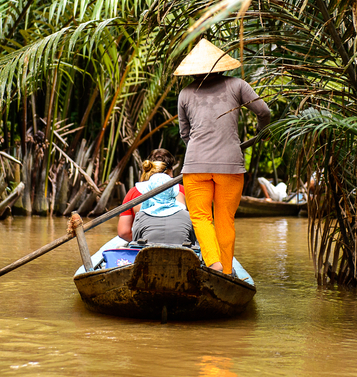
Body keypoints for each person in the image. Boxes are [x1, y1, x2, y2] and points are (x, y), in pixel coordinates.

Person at [175, 39, 271, 274]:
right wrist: (261, 132)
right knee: (225, 219)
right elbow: (264, 112)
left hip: (195, 167)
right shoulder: (237, 85)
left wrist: (199, 152)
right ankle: (226, 271)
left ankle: (213, 264)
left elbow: (184, 133)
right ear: (220, 66)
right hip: (230, 165)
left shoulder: (185, 93)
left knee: (200, 217)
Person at [116, 148, 194, 246]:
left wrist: (145, 240)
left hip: (146, 245)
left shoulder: (134, 193)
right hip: (180, 245)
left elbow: (123, 232)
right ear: (170, 170)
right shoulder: (181, 190)